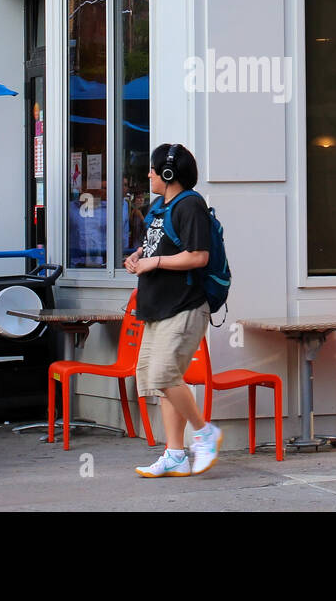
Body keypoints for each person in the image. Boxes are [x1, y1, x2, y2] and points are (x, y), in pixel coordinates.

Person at [124, 143, 223, 477]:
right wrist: (138, 256)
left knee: (164, 376)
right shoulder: (158, 206)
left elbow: (198, 256)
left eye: (153, 170)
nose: (148, 175)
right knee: (164, 381)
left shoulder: (190, 205)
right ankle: (176, 454)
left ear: (168, 174)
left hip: (184, 306)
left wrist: (155, 263)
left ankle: (205, 433)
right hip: (157, 308)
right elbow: (155, 245)